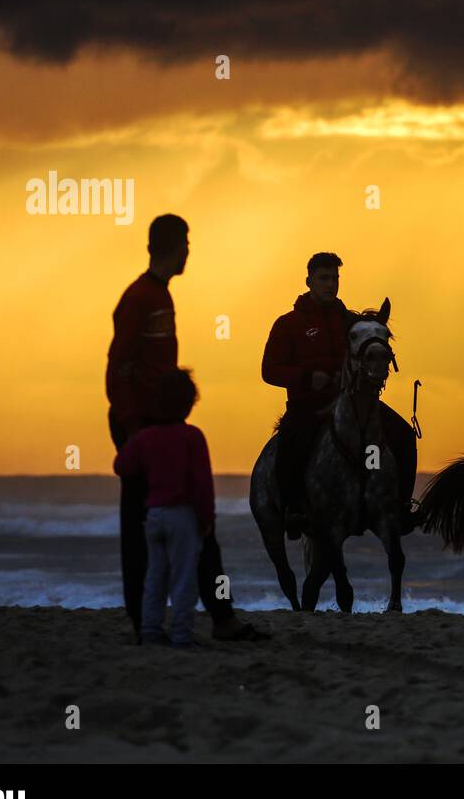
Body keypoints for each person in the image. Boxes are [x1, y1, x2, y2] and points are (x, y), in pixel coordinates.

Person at [106, 213, 267, 643]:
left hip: (162, 423)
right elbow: (118, 365)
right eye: (187, 243)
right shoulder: (139, 297)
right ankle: (148, 621)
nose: (190, 251)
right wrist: (134, 427)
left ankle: (220, 615)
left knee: (192, 519)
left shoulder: (161, 297)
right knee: (144, 528)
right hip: (143, 427)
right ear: (173, 246)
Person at [261, 252, 418, 539]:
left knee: (405, 435)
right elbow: (269, 370)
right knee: (290, 443)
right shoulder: (288, 324)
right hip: (307, 406)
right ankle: (294, 509)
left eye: (335, 278)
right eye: (324, 278)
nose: (330, 284)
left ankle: (402, 507)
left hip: (354, 404)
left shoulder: (350, 322)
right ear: (309, 281)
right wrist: (309, 377)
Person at [112, 368, 212, 649]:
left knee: (155, 577)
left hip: (154, 515)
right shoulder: (192, 437)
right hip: (182, 516)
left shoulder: (147, 438)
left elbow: (121, 466)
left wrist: (138, 443)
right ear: (190, 403)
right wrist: (206, 518)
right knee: (183, 579)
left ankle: (151, 630)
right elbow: (203, 484)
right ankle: (181, 634)